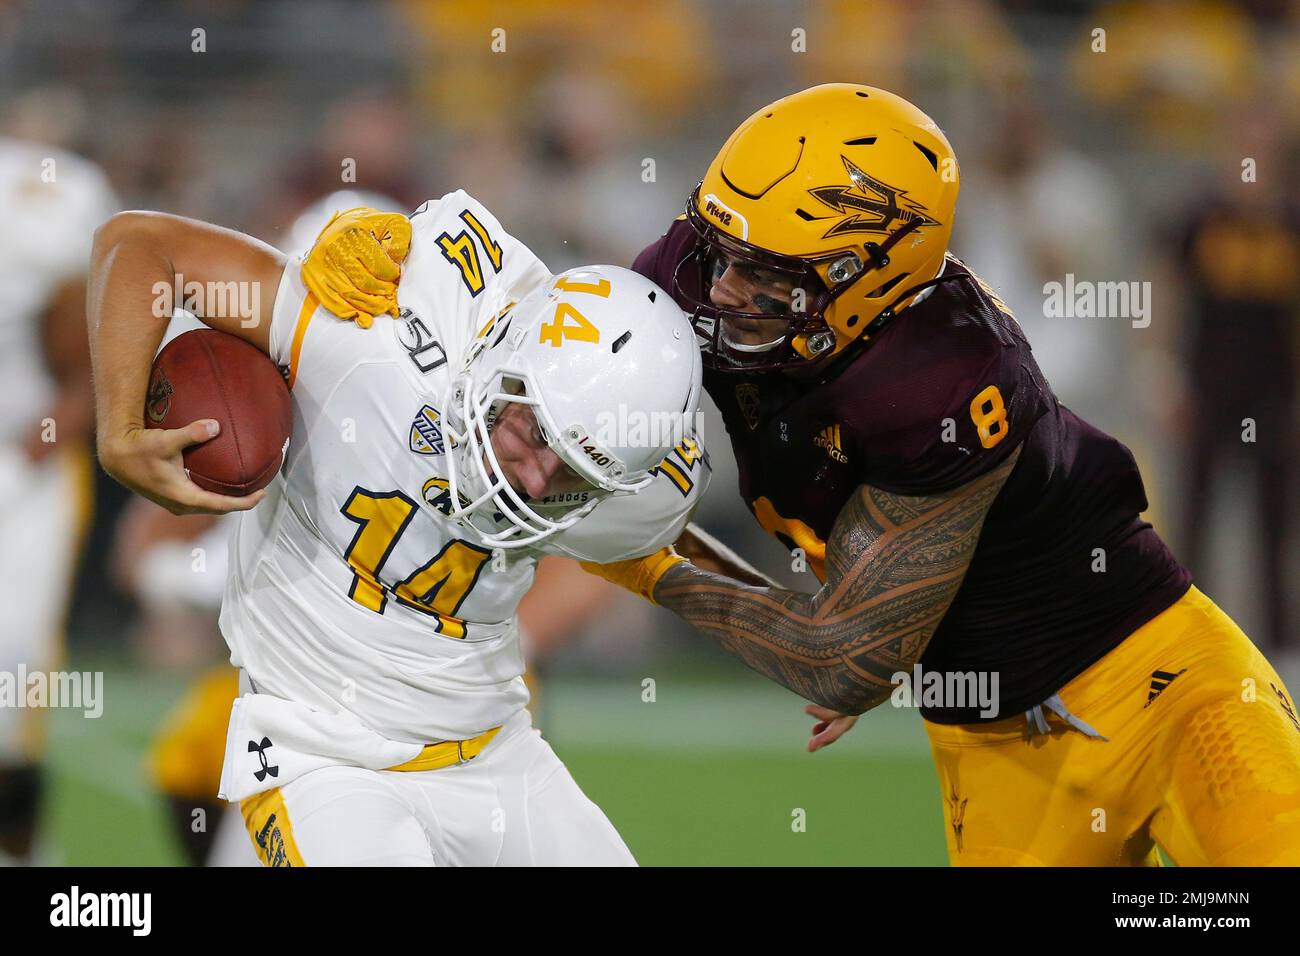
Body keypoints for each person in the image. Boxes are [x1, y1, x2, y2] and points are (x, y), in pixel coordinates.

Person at [309, 85, 1300, 867]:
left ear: (872, 277)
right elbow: (568, 347)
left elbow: (841, 664)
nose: (721, 287)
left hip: (1158, 679)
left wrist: (646, 560)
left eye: (767, 273)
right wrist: (414, 273)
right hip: (990, 738)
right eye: (721, 248)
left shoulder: (940, 376)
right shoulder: (703, 268)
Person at [88, 191, 707, 866]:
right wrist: (119, 429)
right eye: (534, 430)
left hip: (497, 750)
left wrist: (798, 636)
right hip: (323, 758)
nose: (535, 480)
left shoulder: (632, 478)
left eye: (575, 471)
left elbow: (647, 557)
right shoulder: (357, 338)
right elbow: (141, 246)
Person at [0, 135, 117, 864]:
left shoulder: (49, 191)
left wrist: (43, 439)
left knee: (9, 691)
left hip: (21, 473)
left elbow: (92, 358)